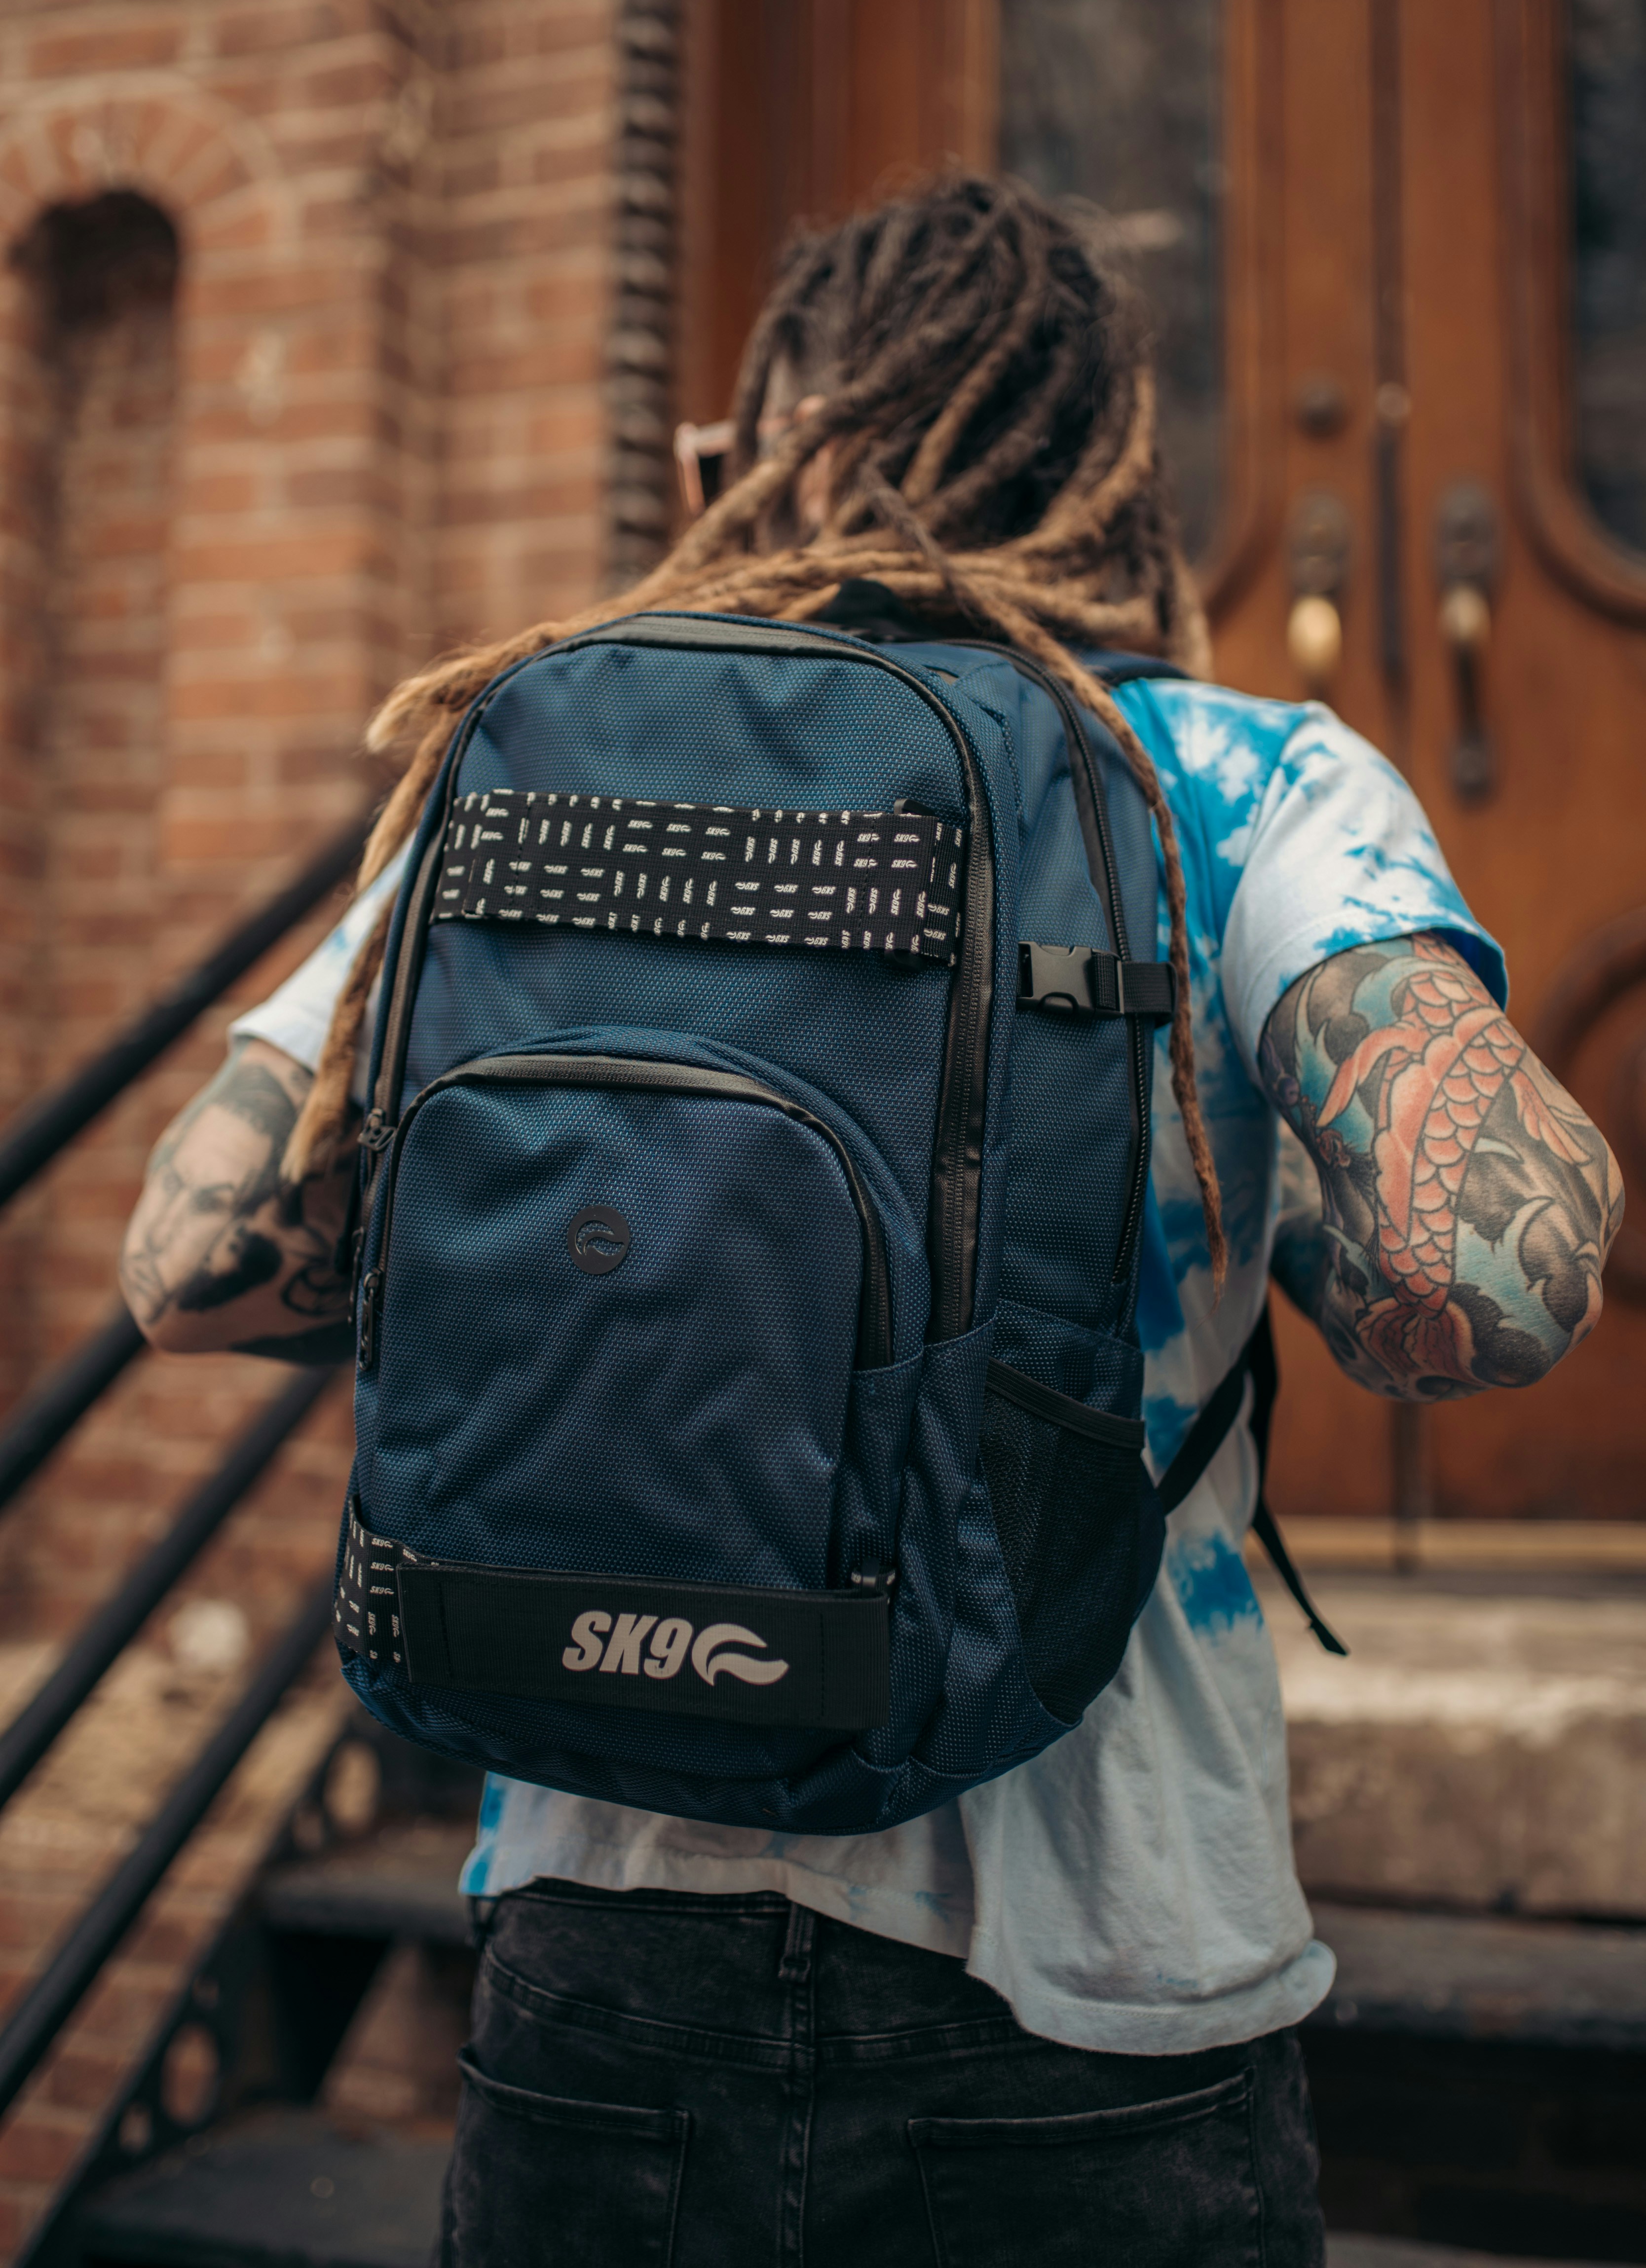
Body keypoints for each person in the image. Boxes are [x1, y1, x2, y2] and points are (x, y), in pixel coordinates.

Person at [120, 174, 1623, 2267]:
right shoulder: (1220, 772)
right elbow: (1495, 1272)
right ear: (1112, 471)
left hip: (598, 1954)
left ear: (754, 448)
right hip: (1094, 1994)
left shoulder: (541, 751)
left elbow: (189, 1265)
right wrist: (1288, 1234)